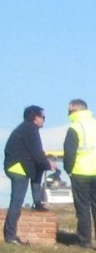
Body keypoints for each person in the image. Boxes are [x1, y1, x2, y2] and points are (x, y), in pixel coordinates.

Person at [63, 98, 96, 250]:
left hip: (80, 172)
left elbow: (69, 154)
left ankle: (84, 241)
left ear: (75, 110)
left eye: (69, 110)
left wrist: (69, 170)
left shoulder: (75, 127)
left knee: (83, 208)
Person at [4, 105, 49, 245]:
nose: (44, 120)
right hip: (18, 169)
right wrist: (48, 164)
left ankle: (37, 203)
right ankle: (10, 236)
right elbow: (37, 152)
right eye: (43, 117)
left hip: (20, 166)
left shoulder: (26, 128)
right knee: (17, 202)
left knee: (39, 169)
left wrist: (44, 164)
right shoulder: (30, 129)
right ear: (35, 117)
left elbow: (35, 155)